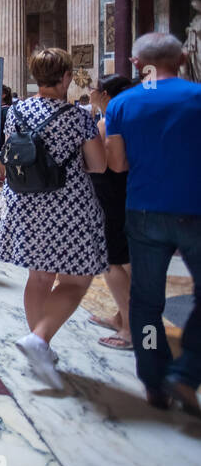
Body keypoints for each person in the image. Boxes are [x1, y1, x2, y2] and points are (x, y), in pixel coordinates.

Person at [0, 49, 106, 390]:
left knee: (39, 277)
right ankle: (39, 339)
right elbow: (98, 165)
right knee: (76, 280)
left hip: (26, 200)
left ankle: (41, 345)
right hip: (67, 204)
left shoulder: (18, 110)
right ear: (67, 77)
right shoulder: (78, 117)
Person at [104, 33, 201, 414]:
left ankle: (153, 378)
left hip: (144, 210)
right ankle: (187, 371)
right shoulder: (197, 97)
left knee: (144, 302)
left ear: (134, 61)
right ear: (183, 58)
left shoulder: (124, 103)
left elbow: (118, 164)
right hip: (195, 210)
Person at [87, 75, 133, 351]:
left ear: (104, 93)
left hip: (110, 196)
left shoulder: (109, 121)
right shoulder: (131, 116)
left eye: (93, 88)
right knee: (125, 260)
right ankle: (120, 316)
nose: (90, 92)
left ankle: (129, 328)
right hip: (129, 193)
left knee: (111, 262)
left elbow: (111, 164)